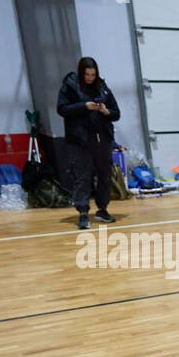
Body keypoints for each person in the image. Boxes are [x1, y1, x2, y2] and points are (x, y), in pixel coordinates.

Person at [57, 56, 121, 230]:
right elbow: (61, 109)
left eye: (93, 74)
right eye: (87, 75)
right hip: (79, 139)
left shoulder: (103, 87)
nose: (91, 78)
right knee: (82, 176)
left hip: (102, 138)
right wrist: (84, 106)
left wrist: (106, 111)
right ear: (81, 73)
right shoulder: (70, 85)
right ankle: (83, 212)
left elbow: (116, 113)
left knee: (105, 175)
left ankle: (102, 209)